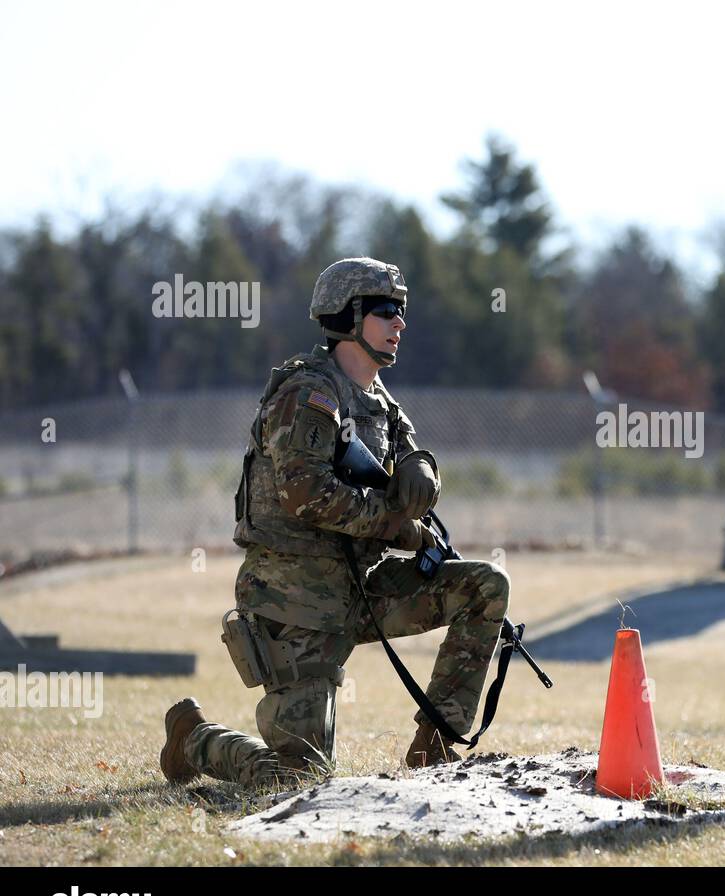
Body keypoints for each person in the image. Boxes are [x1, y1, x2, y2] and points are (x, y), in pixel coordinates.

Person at [160, 257, 510, 788]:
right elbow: (307, 497)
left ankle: (433, 749)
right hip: (295, 597)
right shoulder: (308, 394)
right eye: (387, 311)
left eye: (402, 312)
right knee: (298, 779)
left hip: (359, 588)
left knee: (485, 587)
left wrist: (422, 470)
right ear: (349, 317)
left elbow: (412, 458)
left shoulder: (381, 403)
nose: (401, 324)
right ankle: (193, 738)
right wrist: (396, 527)